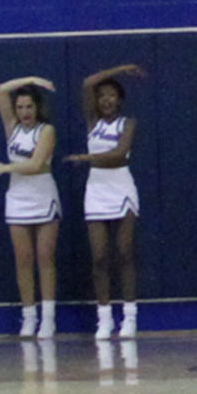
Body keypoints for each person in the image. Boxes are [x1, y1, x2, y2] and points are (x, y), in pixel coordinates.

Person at [66, 64, 145, 339]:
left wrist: (86, 158)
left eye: (111, 95)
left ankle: (130, 316)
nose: (106, 100)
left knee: (124, 252)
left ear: (119, 100)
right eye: (102, 96)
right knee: (99, 257)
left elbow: (120, 155)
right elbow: (88, 82)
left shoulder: (128, 123)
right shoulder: (92, 121)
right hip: (97, 190)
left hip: (121, 186)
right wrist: (122, 69)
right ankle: (105, 318)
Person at [1, 76, 60, 338]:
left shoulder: (46, 130)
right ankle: (29, 317)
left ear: (37, 108)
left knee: (45, 258)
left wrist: (6, 168)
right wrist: (31, 80)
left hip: (43, 194)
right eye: (20, 107)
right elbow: (0, 91)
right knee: (23, 260)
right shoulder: (12, 128)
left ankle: (48, 319)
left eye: (29, 106)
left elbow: (36, 164)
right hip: (17, 197)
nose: (25, 112)